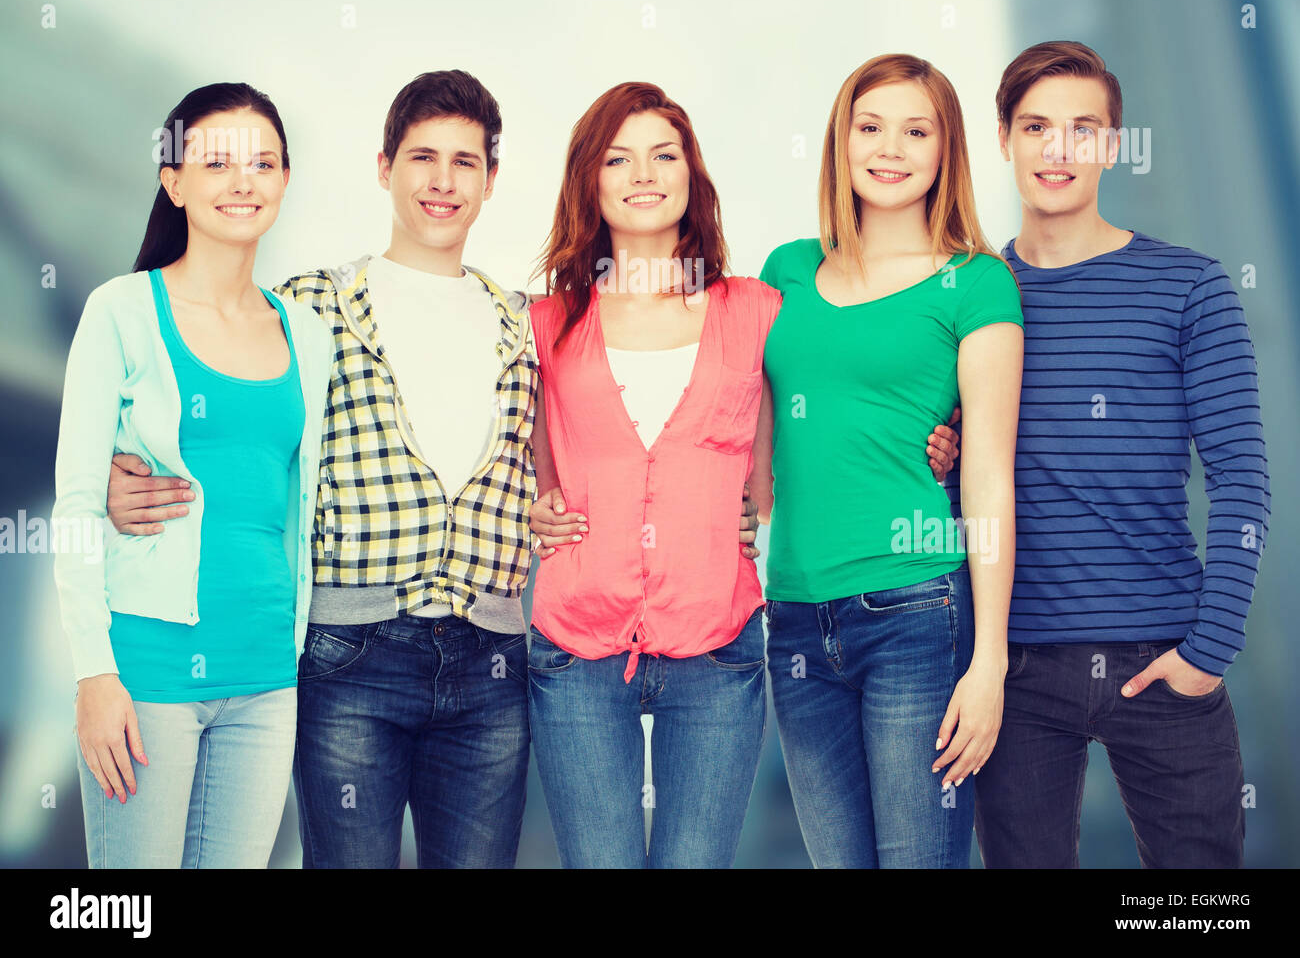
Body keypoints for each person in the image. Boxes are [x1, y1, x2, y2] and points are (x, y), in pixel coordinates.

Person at [525, 81, 965, 868]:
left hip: (719, 647)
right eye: (618, 158)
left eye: (665, 154)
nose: (644, 173)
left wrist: (940, 429)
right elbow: (513, 454)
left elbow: (846, 375)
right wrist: (532, 505)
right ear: (588, 179)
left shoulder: (756, 307)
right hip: (576, 646)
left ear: (693, 175)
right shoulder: (545, 321)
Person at [106, 71, 536, 868]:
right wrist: (111, 477)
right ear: (383, 167)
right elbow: (225, 415)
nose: (442, 182)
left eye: (465, 163)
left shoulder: (525, 321)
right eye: (421, 157)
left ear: (491, 179)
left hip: (492, 660)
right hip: (350, 652)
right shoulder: (309, 307)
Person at [970, 41, 1269, 869]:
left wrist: (1209, 651)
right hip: (1013, 669)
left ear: (1111, 144)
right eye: (1036, 126)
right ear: (1004, 138)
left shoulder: (1190, 286)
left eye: (1082, 128)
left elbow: (1242, 480)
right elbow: (959, 474)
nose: (1057, 149)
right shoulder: (967, 296)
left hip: (1166, 660)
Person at [753, 53, 1023, 869]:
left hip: (916, 611)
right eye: (870, 127)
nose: (890, 148)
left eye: (917, 130)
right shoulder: (786, 270)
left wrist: (989, 662)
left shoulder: (977, 282)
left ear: (948, 150)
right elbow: (746, 443)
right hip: (795, 615)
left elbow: (986, 475)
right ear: (842, 140)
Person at [52, 83, 333, 868]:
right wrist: (94, 676)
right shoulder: (121, 312)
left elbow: (292, 497)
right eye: (217, 162)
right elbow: (75, 501)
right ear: (173, 181)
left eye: (263, 163)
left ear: (283, 180)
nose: (243, 180)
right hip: (146, 670)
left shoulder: (307, 335)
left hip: (268, 674)